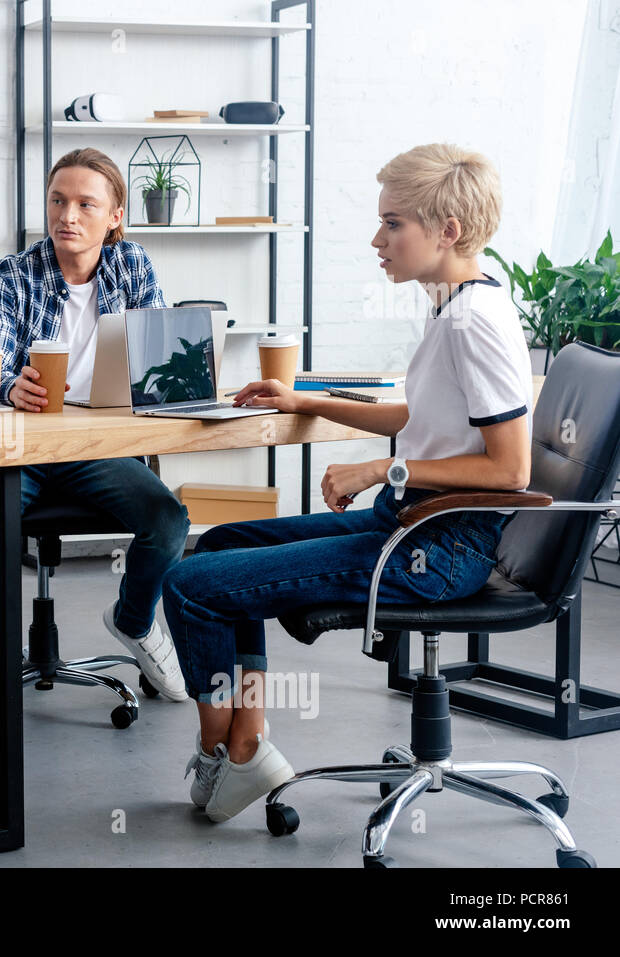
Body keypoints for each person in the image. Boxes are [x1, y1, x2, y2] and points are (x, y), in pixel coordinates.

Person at [163, 144, 532, 823]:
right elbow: (419, 415)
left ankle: (225, 746)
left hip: (435, 549)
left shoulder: (474, 322)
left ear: (446, 230)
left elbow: (511, 471)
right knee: (217, 545)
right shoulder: (456, 307)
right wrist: (307, 400)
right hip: (408, 525)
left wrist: (381, 468)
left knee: (188, 586)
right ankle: (246, 744)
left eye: (394, 223)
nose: (376, 239)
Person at [0, 148, 192, 712]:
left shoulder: (133, 265)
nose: (68, 215)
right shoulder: (9, 275)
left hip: (95, 448)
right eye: (58, 201)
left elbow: (155, 359)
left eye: (87, 203)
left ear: (114, 216)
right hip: (15, 448)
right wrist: (12, 385)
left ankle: (134, 621)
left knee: (167, 520)